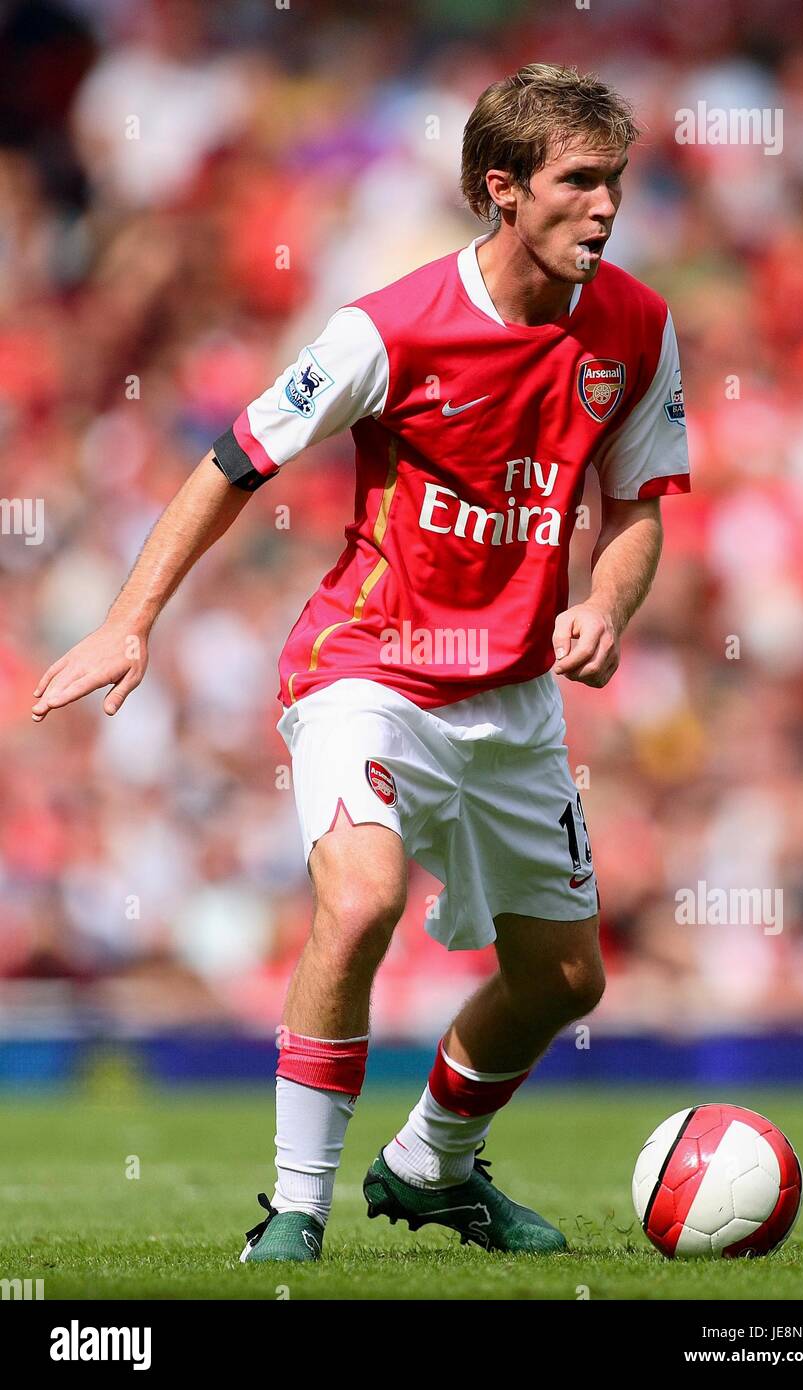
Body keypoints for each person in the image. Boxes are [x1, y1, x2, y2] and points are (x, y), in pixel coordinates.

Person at [32, 64, 690, 1261]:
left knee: (563, 982)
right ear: (503, 189)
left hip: (513, 696)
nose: (604, 207)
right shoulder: (387, 327)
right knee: (362, 899)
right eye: (578, 182)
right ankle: (294, 1208)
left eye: (615, 182)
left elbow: (638, 504)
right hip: (367, 668)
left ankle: (429, 1166)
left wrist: (603, 598)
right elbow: (230, 461)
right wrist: (132, 618)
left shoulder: (636, 326)